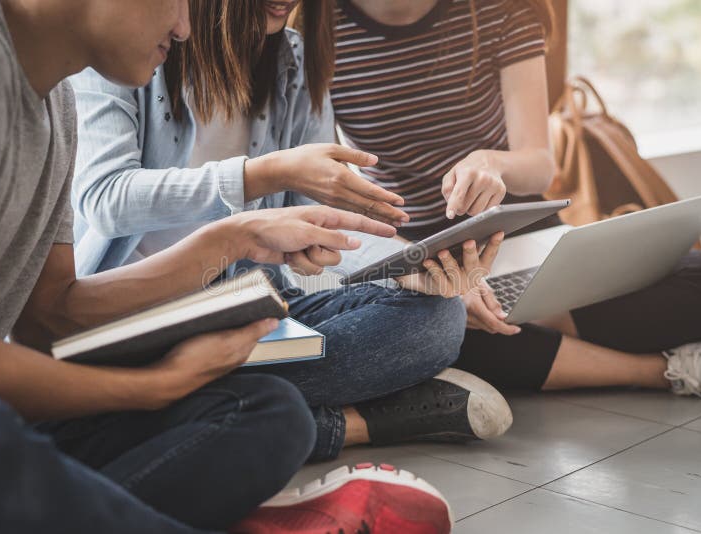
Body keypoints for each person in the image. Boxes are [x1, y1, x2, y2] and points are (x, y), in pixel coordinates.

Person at [0, 0, 453, 531]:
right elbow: (106, 201)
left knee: (274, 413)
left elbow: (50, 317)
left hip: (45, 384)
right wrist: (155, 386)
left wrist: (244, 239)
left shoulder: (56, 100)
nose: (184, 26)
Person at [70, 0, 515, 463]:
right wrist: (265, 174)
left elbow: (319, 213)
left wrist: (413, 263)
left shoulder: (293, 57)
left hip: (247, 303)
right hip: (139, 315)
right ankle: (340, 424)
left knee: (438, 319)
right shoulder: (125, 46)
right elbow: (105, 198)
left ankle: (179, 409)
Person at [330, 0, 701, 396]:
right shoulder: (315, 28)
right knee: (426, 324)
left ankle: (519, 326)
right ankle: (664, 372)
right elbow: (321, 190)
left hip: (519, 232)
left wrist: (492, 162)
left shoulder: (500, 11)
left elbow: (540, 165)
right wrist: (431, 284)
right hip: (415, 256)